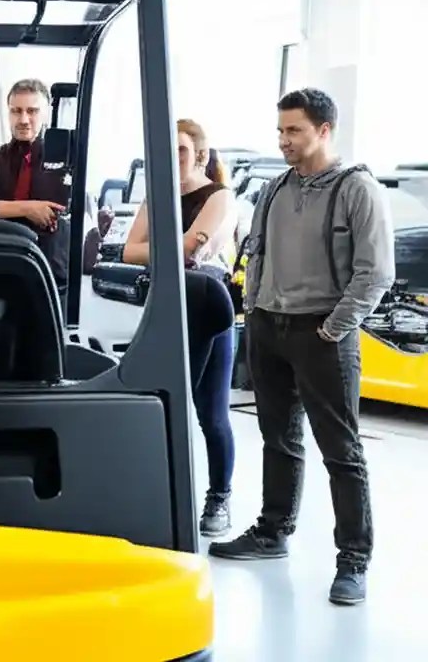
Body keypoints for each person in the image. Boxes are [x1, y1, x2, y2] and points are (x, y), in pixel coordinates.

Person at [209, 88, 395, 606]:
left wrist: (336, 327)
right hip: (270, 329)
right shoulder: (274, 187)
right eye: (281, 131)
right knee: (278, 439)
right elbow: (257, 253)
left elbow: (377, 272)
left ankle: (353, 561)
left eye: (294, 130)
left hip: (323, 335)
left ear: (324, 130)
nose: (284, 140)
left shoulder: (357, 189)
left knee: (342, 451)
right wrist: (256, 309)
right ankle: (272, 532)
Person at [120, 118, 238, 536]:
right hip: (165, 307)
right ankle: (159, 491)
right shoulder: (158, 196)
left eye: (182, 151)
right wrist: (172, 249)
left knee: (210, 412)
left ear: (201, 155)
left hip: (208, 309)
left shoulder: (219, 196)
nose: (174, 160)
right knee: (161, 402)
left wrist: (166, 249)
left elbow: (193, 248)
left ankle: (219, 497)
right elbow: (129, 251)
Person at [0, 79, 71, 290]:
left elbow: (58, 211)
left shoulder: (67, 159)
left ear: (46, 113)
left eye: (32, 111)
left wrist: (1, 208)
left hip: (52, 272)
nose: (23, 119)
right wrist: (30, 208)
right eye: (16, 111)